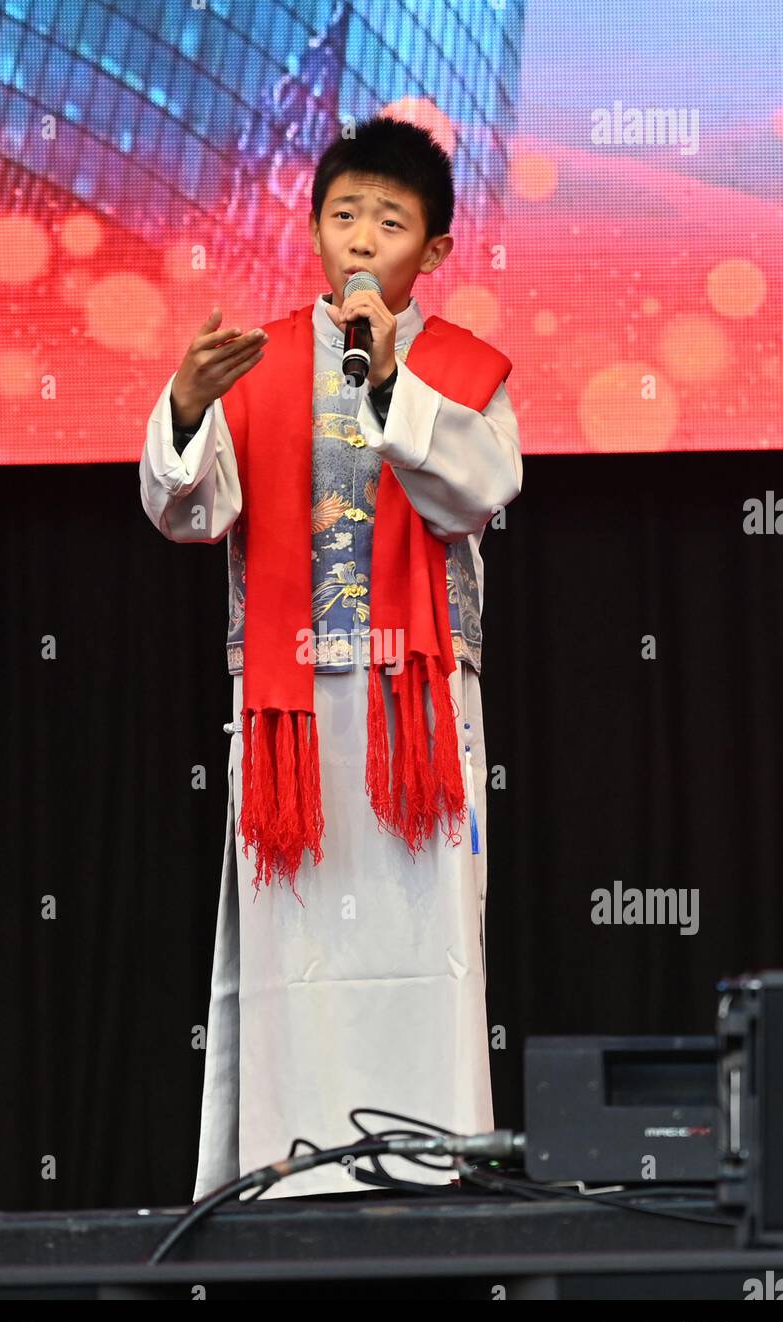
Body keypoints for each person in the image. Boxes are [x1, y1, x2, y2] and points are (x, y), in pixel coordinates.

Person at [139, 116, 523, 1200]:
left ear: (433, 251)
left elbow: (477, 491)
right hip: (291, 711)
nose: (362, 239)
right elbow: (184, 509)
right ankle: (293, 1180)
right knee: (294, 948)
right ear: (312, 227)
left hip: (420, 709)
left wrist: (392, 384)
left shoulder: (461, 369)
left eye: (389, 222)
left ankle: (429, 1170)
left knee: (427, 942)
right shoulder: (252, 363)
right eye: (344, 215)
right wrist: (183, 404)